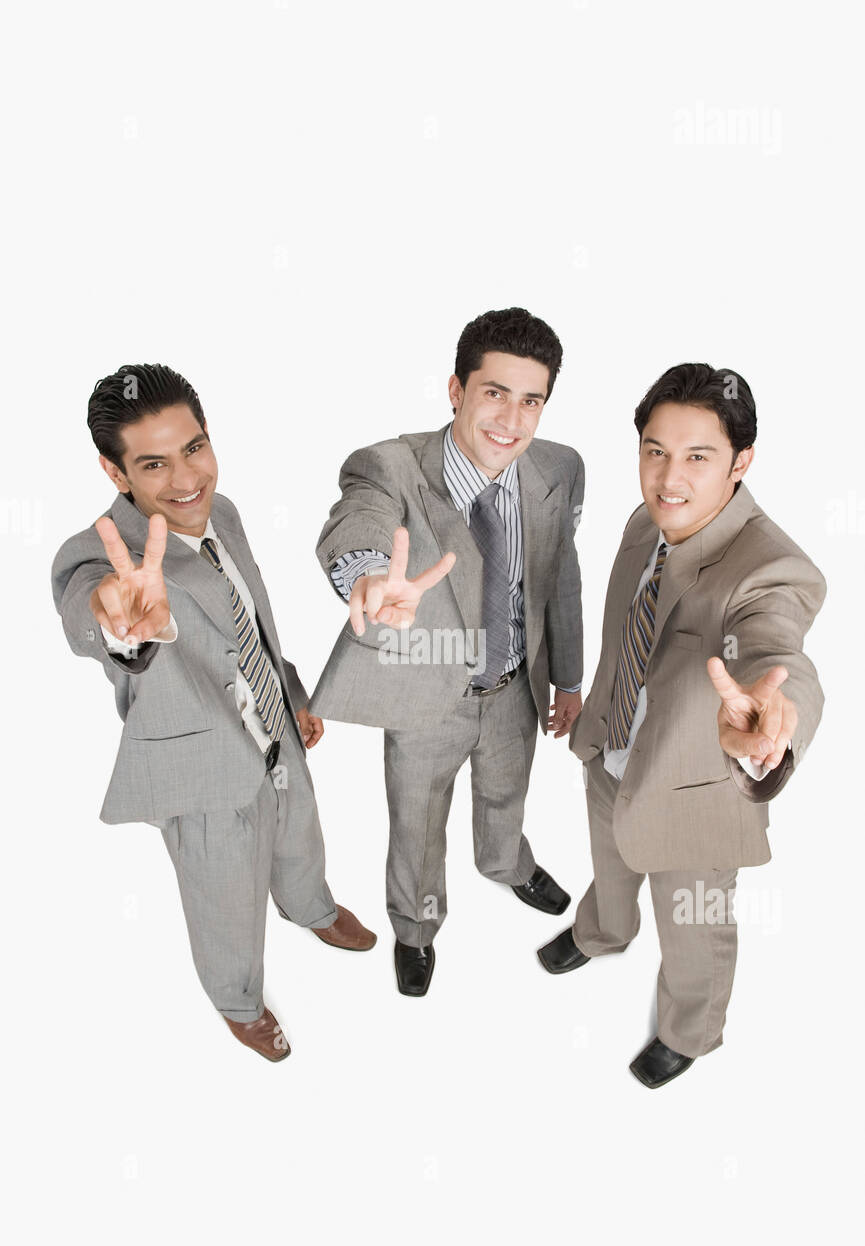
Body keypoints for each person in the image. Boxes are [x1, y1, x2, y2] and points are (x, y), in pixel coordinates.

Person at [51, 364, 374, 1062]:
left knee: (300, 838)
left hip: (275, 734)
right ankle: (238, 1000)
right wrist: (119, 621)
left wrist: (288, 692)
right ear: (115, 471)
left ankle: (310, 907)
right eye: (153, 464)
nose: (186, 479)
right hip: (201, 771)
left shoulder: (220, 512)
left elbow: (251, 621)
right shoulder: (97, 555)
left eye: (193, 447)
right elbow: (90, 611)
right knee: (222, 901)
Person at [538, 362, 825, 1087]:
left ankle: (689, 1031)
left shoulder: (770, 569)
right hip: (610, 753)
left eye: (698, 456)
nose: (669, 477)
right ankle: (602, 932)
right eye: (654, 451)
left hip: (694, 793)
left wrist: (770, 725)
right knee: (608, 869)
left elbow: (775, 650)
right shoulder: (647, 520)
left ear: (741, 462)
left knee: (692, 927)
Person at [311, 307, 585, 995]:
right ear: (456, 390)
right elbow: (359, 521)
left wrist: (569, 681)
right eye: (494, 392)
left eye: (532, 401)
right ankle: (414, 926)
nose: (512, 420)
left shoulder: (560, 468)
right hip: (425, 700)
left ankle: (507, 865)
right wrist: (369, 577)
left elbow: (560, 575)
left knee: (506, 798)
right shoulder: (390, 466)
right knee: (416, 823)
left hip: (514, 691)